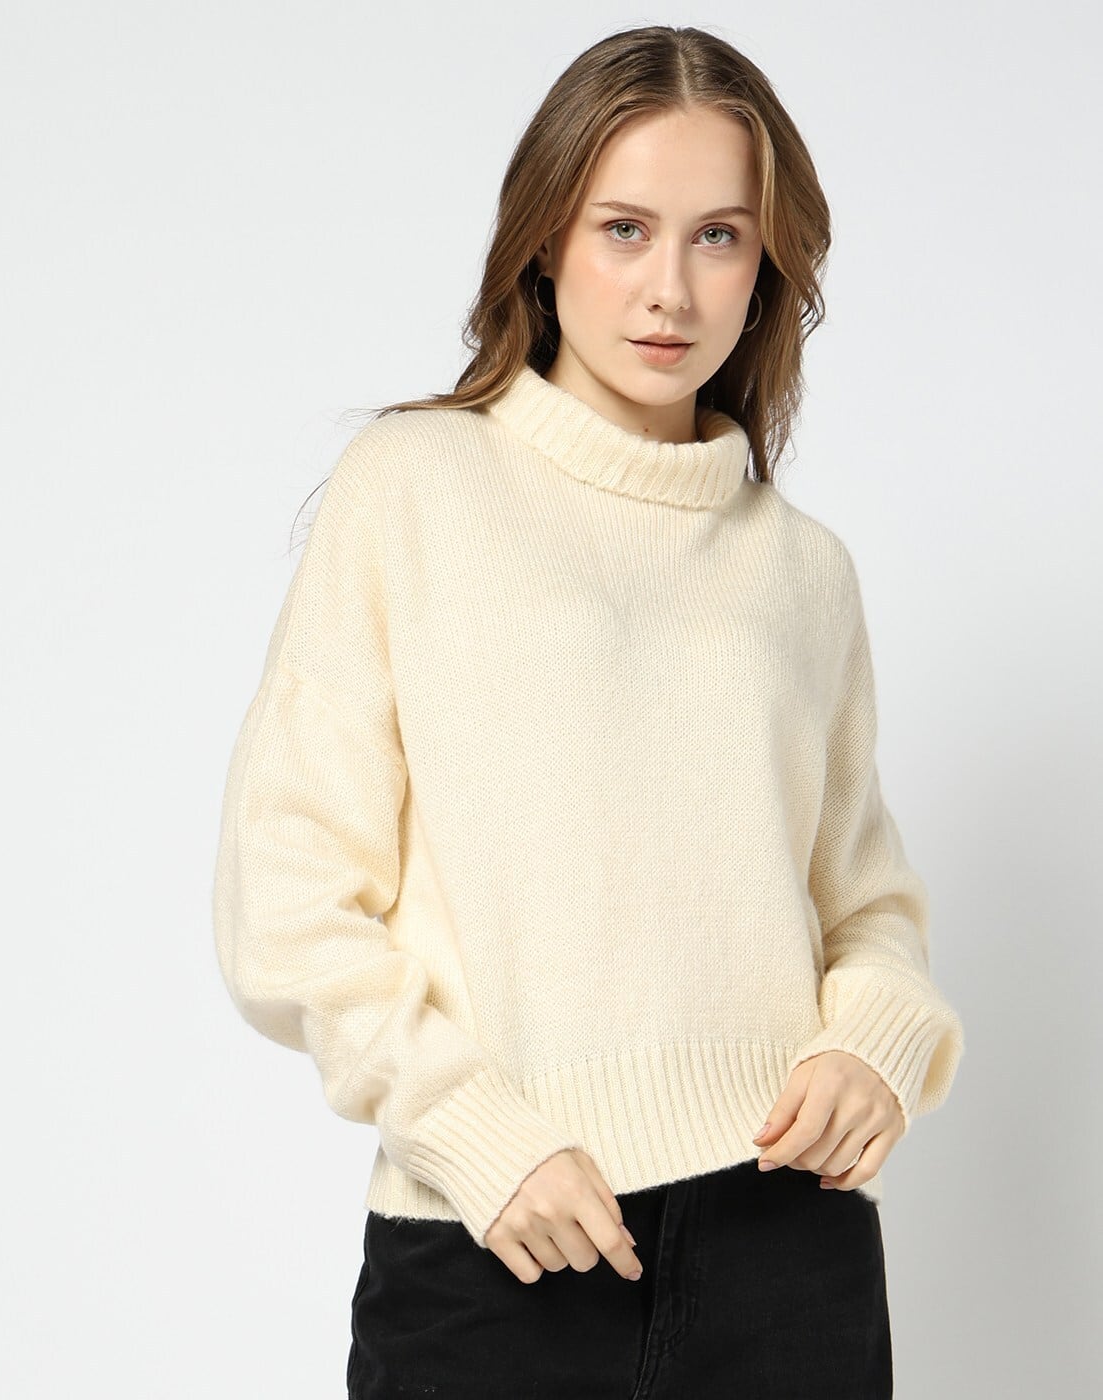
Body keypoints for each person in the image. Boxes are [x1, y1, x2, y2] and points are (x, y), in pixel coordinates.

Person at [211, 23, 965, 1399]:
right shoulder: (414, 488)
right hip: (499, 1236)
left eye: (719, 237)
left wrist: (874, 1041)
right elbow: (289, 901)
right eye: (625, 229)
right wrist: (474, 1132)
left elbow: (865, 907)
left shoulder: (801, 572)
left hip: (787, 1248)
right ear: (545, 239)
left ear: (768, 266)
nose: (669, 288)